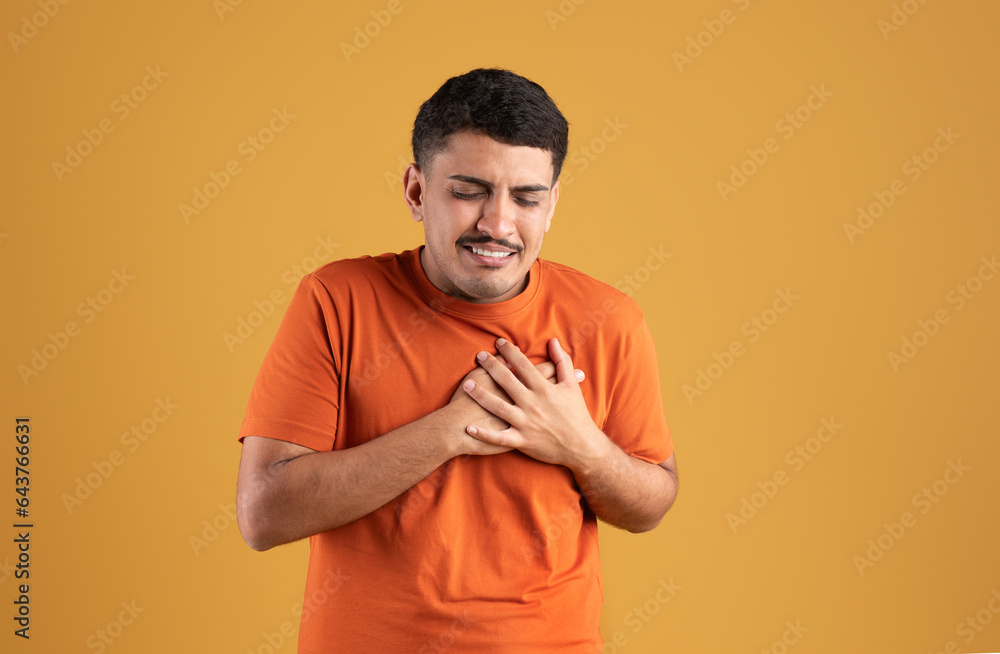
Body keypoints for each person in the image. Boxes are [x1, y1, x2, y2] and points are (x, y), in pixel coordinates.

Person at [235, 67, 678, 653]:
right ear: (417, 191)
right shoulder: (336, 300)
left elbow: (652, 503)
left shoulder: (609, 319)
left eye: (526, 197)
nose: (498, 224)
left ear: (552, 205)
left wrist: (579, 445)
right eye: (469, 191)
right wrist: (449, 430)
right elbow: (264, 513)